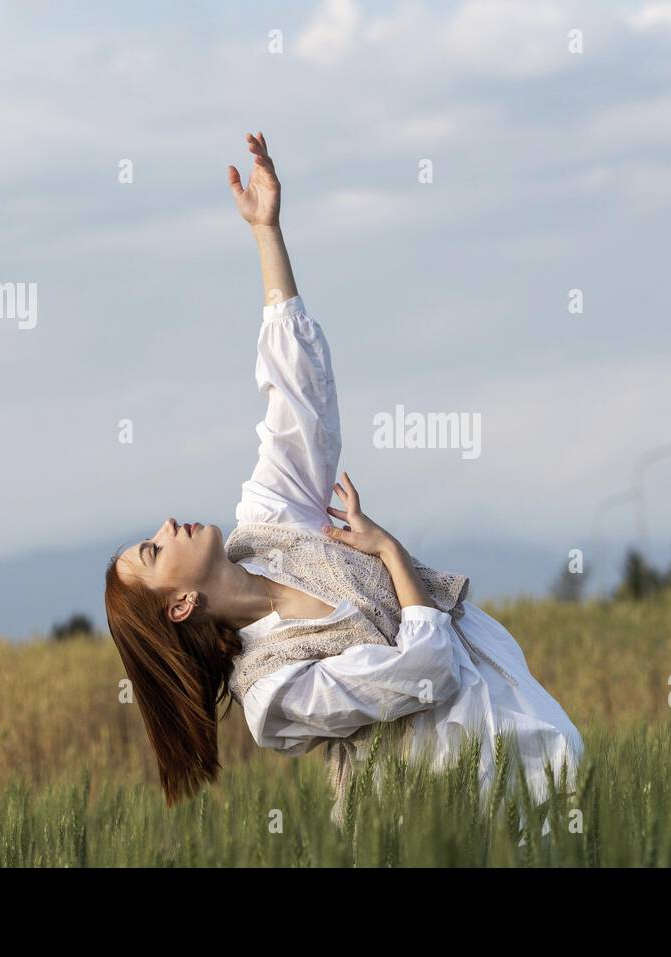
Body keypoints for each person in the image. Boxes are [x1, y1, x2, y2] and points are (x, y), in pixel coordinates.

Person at [104, 132, 583, 828]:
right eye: (152, 551)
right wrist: (389, 553)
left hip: (516, 719)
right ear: (178, 605)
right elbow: (426, 671)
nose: (164, 527)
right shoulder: (272, 692)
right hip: (443, 811)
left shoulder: (268, 525)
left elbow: (298, 403)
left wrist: (267, 233)